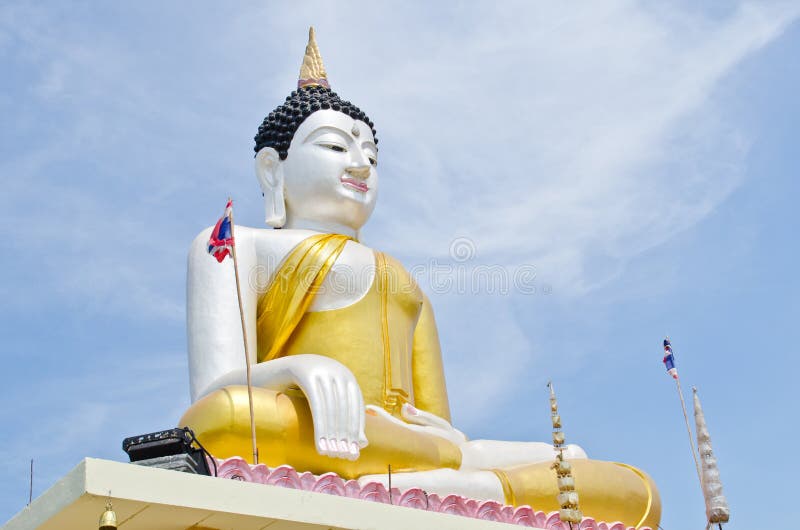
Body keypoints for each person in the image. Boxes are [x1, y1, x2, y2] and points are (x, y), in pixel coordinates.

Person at [180, 28, 660, 529]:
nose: (360, 164)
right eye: (335, 147)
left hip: (407, 448)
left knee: (613, 480)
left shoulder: (404, 280)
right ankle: (446, 487)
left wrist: (436, 446)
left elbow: (441, 432)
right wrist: (294, 370)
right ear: (271, 169)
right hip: (307, 427)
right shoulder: (237, 244)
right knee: (228, 418)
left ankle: (460, 491)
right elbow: (212, 392)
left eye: (370, 154)